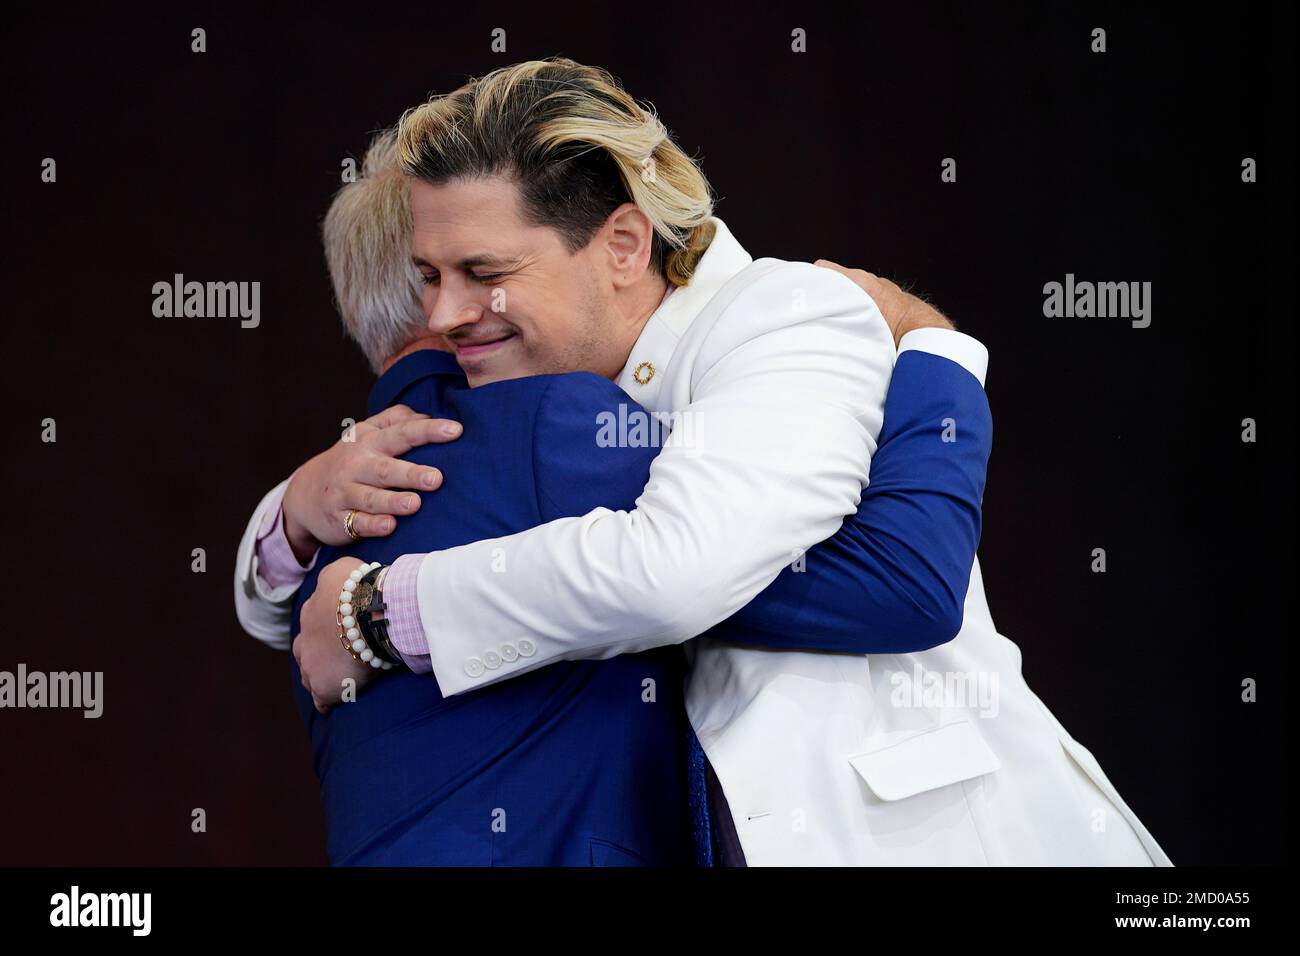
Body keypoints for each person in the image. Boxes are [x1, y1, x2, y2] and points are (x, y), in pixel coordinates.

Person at [239, 58, 1169, 865]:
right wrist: (292, 516)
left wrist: (380, 612)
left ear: (622, 245)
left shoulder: (780, 316)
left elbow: (761, 576)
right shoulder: (546, 400)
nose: (443, 317)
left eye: (485, 274)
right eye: (429, 278)